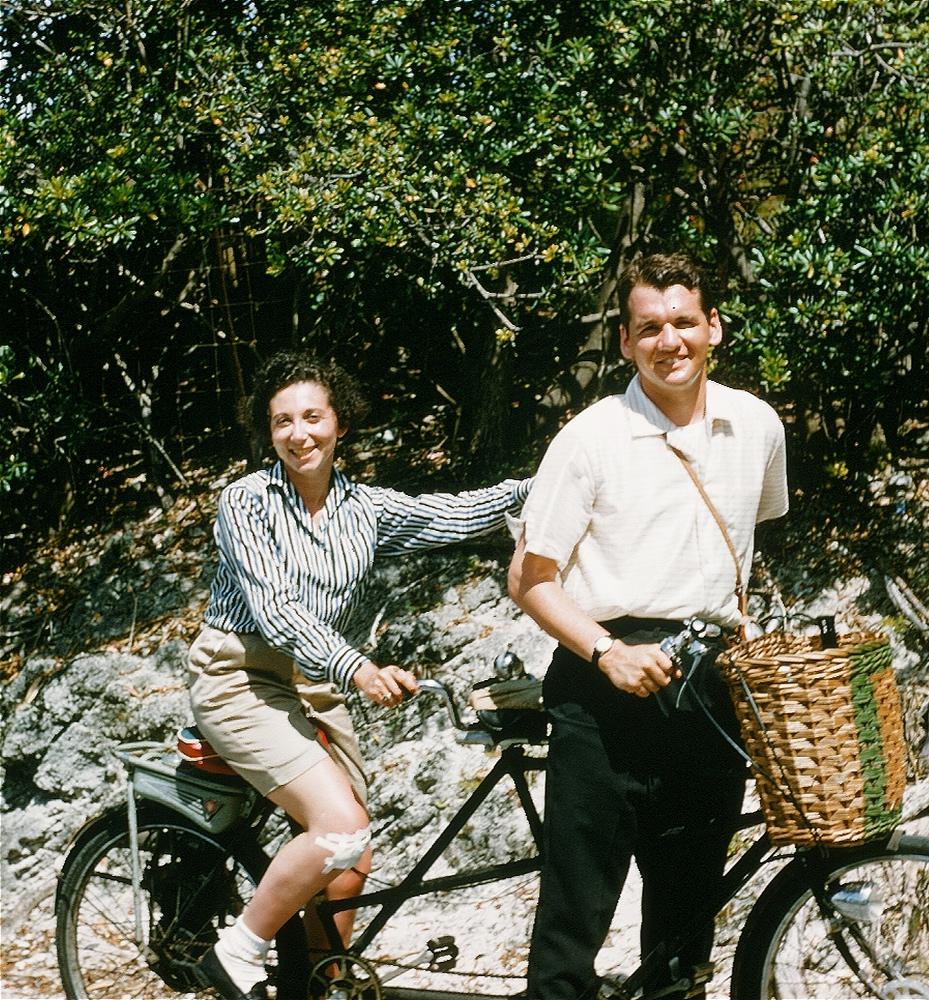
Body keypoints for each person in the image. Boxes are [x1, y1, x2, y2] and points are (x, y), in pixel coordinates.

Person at [188, 350, 530, 1000]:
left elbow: (450, 514)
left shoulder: (362, 509)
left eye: (312, 417)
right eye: (283, 421)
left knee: (352, 851)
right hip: (238, 674)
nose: (299, 434)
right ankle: (236, 952)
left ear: (339, 423)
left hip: (311, 681)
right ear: (269, 433)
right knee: (339, 827)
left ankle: (320, 985)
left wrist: (542, 486)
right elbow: (276, 610)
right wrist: (359, 668)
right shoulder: (246, 502)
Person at [507, 252, 787, 999]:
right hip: (605, 690)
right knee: (575, 918)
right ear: (626, 342)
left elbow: (744, 538)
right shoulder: (589, 438)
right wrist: (607, 651)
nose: (670, 342)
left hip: (710, 689)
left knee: (687, 919)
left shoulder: (756, 426)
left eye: (683, 322)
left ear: (713, 327)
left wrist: (741, 625)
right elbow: (528, 579)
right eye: (650, 328)